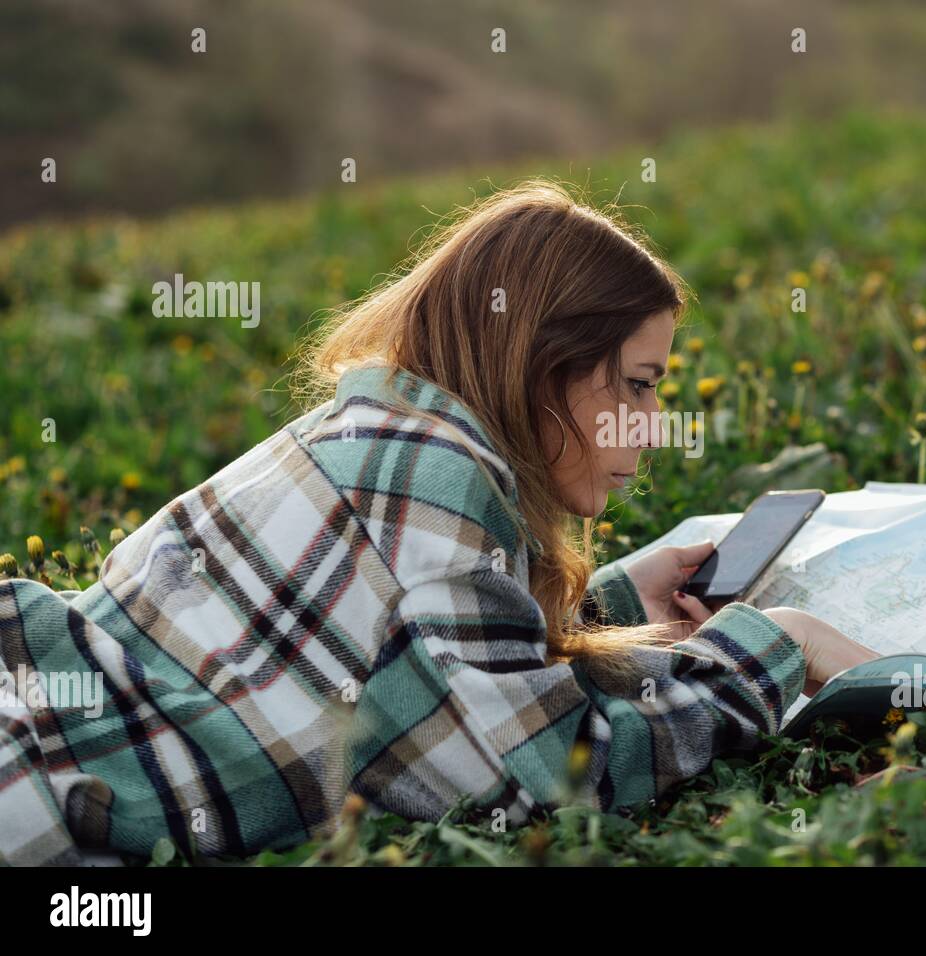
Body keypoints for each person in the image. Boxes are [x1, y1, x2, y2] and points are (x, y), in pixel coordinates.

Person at [0, 180, 875, 866]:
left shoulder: (383, 432)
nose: (649, 424)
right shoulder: (435, 479)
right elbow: (557, 776)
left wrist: (601, 609)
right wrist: (776, 646)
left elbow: (409, 657)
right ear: (544, 367)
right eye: (638, 384)